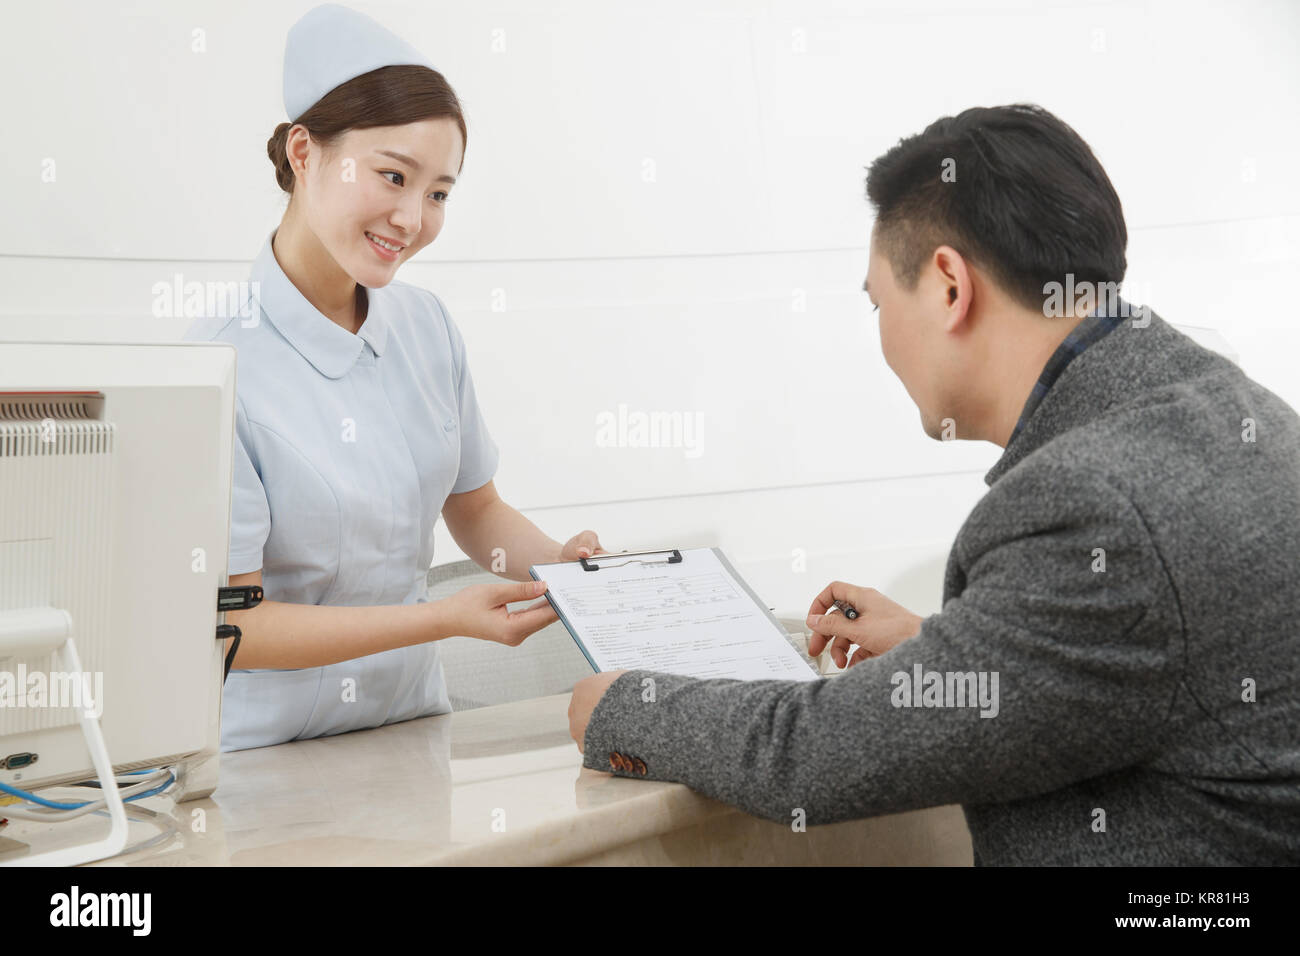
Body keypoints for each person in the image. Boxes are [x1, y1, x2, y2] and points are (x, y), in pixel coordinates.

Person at [567, 104, 1300, 865]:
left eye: (879, 302)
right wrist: (944, 648)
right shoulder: (1240, 414)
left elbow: (816, 756)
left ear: (950, 285)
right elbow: (1132, 664)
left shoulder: (1092, 503)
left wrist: (627, 706)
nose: (882, 335)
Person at [186, 4, 602, 752]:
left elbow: (475, 508)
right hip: (270, 759)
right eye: (392, 176)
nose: (412, 218)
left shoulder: (424, 325)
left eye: (438, 193)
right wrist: (441, 618)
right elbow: (233, 627)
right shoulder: (218, 367)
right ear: (305, 153)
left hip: (413, 734)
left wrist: (562, 568)